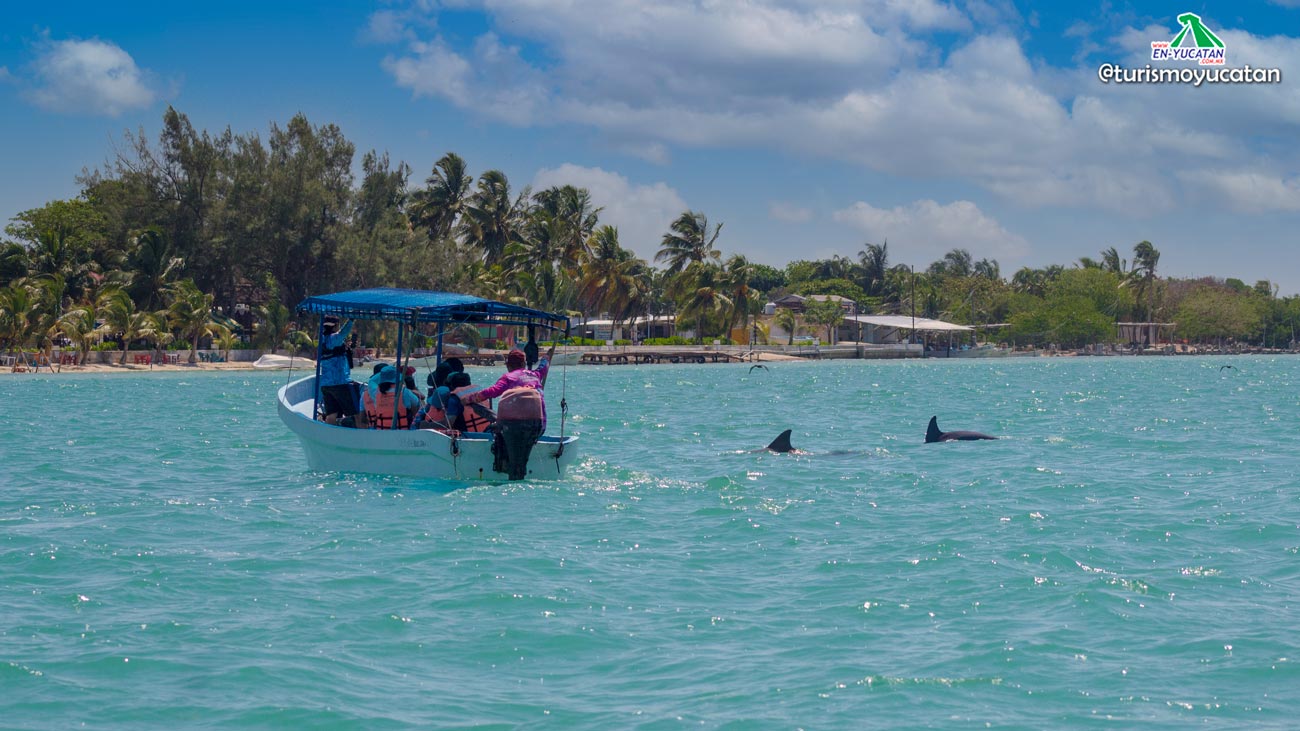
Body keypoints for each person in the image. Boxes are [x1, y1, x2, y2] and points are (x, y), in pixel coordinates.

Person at [461, 345, 554, 480]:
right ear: (523, 364)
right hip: (539, 428)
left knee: (493, 425)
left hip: (512, 429)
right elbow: (543, 366)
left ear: (507, 365)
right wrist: (547, 356)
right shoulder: (535, 375)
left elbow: (491, 392)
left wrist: (469, 399)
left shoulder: (508, 378)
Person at [318, 316, 357, 425]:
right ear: (335, 326)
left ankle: (329, 436)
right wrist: (351, 320)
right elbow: (343, 333)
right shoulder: (334, 338)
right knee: (354, 413)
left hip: (326, 384)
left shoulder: (322, 339)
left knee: (332, 414)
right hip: (339, 383)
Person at [362, 365, 420, 429]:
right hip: (402, 431)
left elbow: (371, 381)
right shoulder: (404, 392)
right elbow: (416, 403)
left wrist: (383, 373)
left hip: (382, 430)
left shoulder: (376, 393)